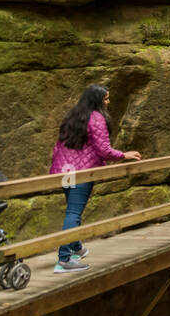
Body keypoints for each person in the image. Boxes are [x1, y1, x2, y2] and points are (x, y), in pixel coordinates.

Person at [48, 85, 141, 273]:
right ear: (97, 100)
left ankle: (76, 248)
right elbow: (103, 150)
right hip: (82, 172)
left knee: (72, 212)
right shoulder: (96, 118)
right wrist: (124, 155)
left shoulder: (73, 116)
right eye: (106, 99)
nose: (108, 102)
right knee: (74, 213)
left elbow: (58, 148)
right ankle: (64, 260)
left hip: (65, 171)